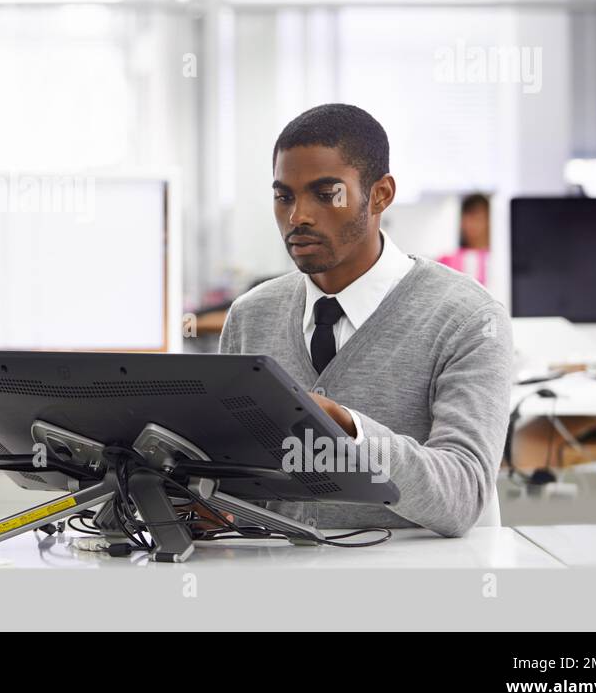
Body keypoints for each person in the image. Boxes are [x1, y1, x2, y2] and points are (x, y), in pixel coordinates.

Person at [219, 103, 512, 537]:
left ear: (380, 195)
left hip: (411, 587)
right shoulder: (251, 316)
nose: (298, 215)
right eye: (284, 196)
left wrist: (349, 430)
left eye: (326, 193)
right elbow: (231, 485)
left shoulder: (467, 317)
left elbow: (462, 495)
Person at [437, 192, 491, 285]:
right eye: (468, 217)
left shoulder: (499, 260)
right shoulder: (446, 261)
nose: (471, 223)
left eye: (478, 217)